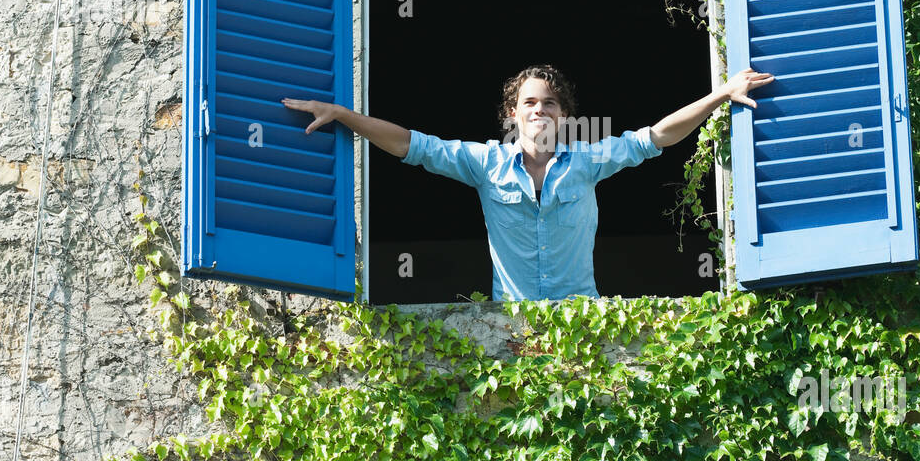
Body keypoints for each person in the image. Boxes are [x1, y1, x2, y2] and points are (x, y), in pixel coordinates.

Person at [283, 63, 774, 302]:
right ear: (512, 114)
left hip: (581, 323)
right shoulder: (486, 164)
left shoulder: (587, 161)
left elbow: (656, 137)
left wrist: (720, 95)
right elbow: (414, 146)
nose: (540, 109)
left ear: (565, 116)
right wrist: (346, 115)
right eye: (530, 103)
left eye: (551, 103)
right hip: (509, 327)